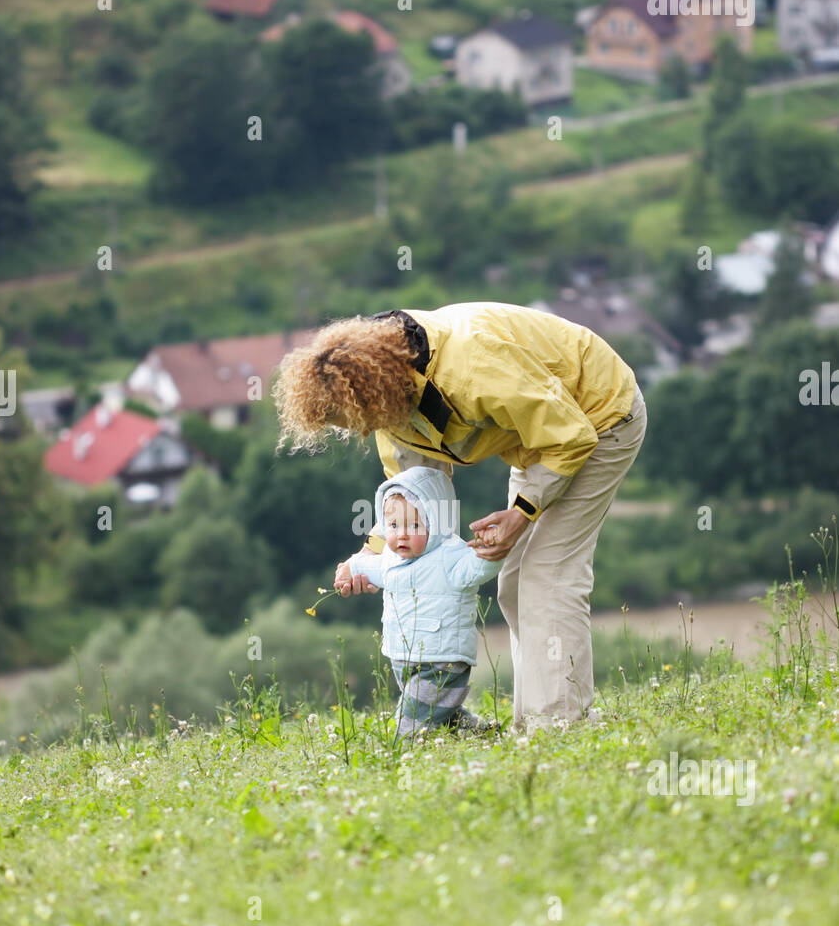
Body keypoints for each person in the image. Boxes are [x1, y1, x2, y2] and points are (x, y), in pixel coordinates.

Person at [274, 300, 647, 732]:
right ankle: (535, 721)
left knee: (549, 576)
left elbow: (570, 435)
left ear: (365, 391)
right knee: (513, 584)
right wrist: (370, 554)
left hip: (599, 419)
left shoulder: (471, 370)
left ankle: (562, 724)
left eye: (349, 418)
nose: (356, 430)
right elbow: (414, 491)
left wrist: (522, 513)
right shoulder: (390, 402)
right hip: (542, 440)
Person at [343, 466, 500, 741]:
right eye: (393, 526)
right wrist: (351, 567)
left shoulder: (452, 555)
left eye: (414, 525)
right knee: (436, 712)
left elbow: (480, 567)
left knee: (411, 726)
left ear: (436, 523)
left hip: (442, 660)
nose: (401, 535)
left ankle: (400, 756)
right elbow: (368, 566)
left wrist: (492, 549)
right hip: (404, 656)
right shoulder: (391, 559)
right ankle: (473, 730)